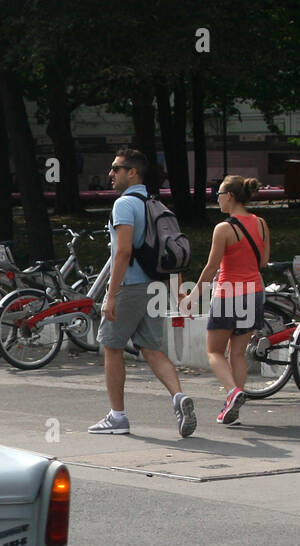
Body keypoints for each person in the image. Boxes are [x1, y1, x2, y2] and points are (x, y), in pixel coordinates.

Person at [89, 148, 196, 437]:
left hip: (131, 287)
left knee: (112, 348)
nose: (111, 174)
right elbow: (166, 249)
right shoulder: (154, 203)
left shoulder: (124, 205)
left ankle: (117, 417)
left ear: (132, 172)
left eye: (116, 168)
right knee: (152, 348)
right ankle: (178, 397)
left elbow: (122, 252)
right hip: (156, 285)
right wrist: (177, 290)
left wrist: (111, 295)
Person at [178, 175, 268, 425]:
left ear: (229, 196)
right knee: (237, 354)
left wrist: (192, 297)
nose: (216, 199)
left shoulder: (224, 228)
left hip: (228, 294)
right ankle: (233, 409)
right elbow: (263, 261)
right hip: (254, 292)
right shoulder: (261, 223)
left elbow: (210, 268)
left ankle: (233, 392)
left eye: (218, 194)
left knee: (214, 351)